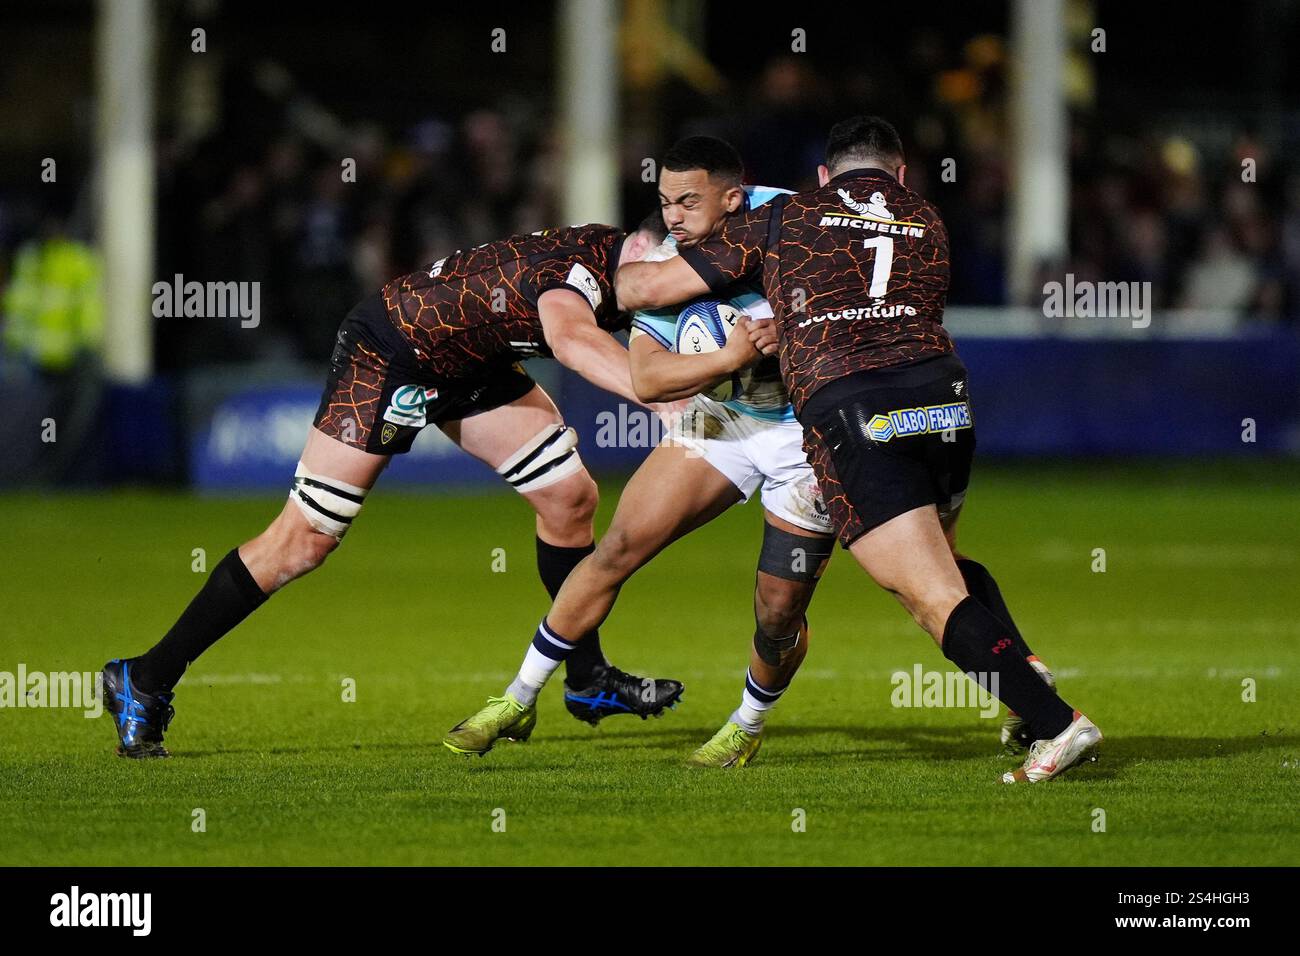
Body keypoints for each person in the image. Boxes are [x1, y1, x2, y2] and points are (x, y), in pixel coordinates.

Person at [614, 115, 1102, 784]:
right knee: (944, 561)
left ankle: (1056, 723)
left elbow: (648, 290)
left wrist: (635, 274)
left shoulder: (791, 216)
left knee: (927, 595)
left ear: (822, 176)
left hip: (857, 408)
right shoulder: (927, 217)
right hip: (945, 403)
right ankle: (1023, 671)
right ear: (899, 176)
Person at [101, 218, 685, 758]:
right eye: (666, 281)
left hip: (469, 363)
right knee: (304, 540)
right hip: (389, 354)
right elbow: (574, 343)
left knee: (569, 498)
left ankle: (585, 679)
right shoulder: (574, 278)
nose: (671, 296)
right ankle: (144, 678)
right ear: (638, 250)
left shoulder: (627, 263)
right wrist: (667, 400)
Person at [443, 137, 835, 767]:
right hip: (725, 422)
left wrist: (790, 332)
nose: (673, 215)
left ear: (734, 198)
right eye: (664, 201)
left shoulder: (792, 225)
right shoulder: (665, 267)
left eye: (688, 200)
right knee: (617, 548)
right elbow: (649, 379)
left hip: (805, 435)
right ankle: (516, 699)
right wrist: (730, 359)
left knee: (778, 608)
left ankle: (746, 723)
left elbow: (852, 306)